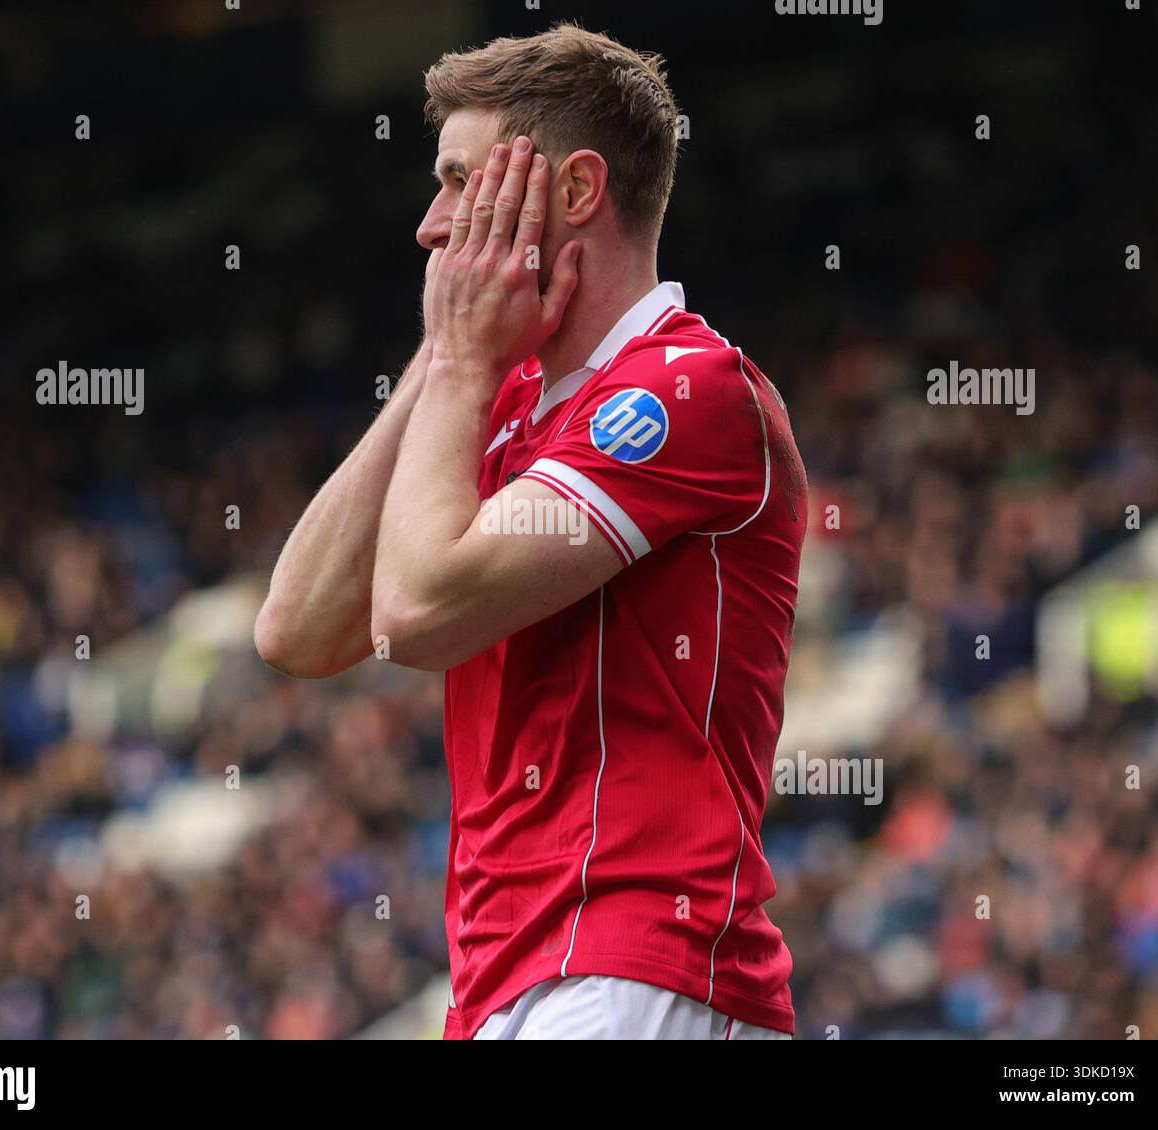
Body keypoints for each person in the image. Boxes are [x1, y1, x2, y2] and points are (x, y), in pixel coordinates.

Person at [255, 23, 807, 1040]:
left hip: (635, 961)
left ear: (575, 191)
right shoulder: (498, 396)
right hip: (509, 975)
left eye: (461, 182)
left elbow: (416, 612)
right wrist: (445, 354)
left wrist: (463, 363)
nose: (431, 225)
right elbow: (298, 627)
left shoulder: (689, 390)